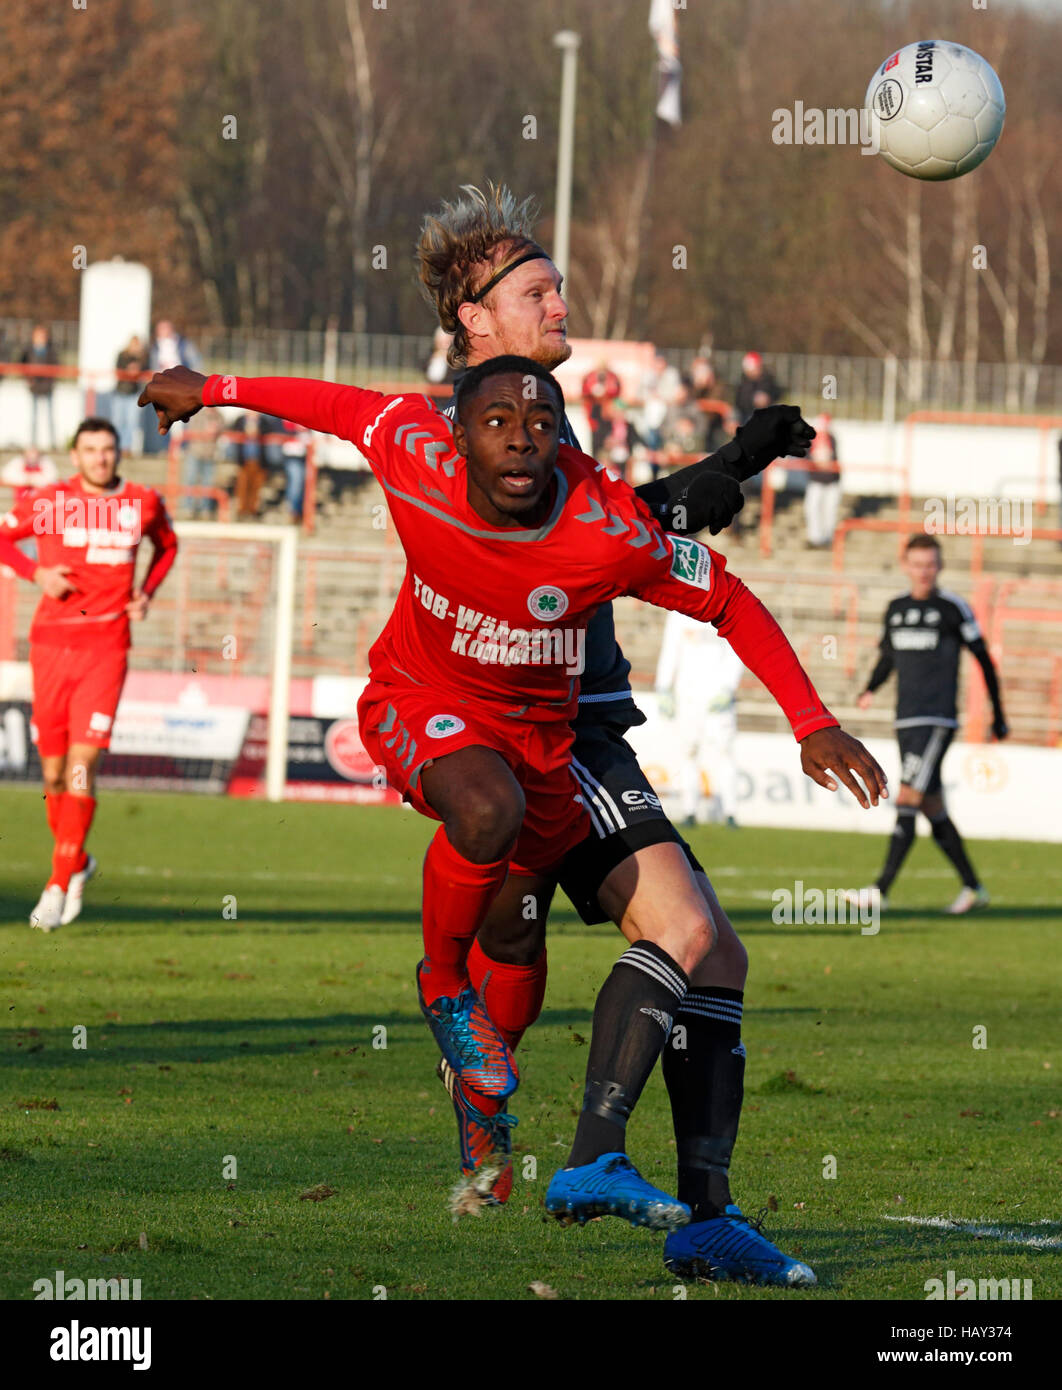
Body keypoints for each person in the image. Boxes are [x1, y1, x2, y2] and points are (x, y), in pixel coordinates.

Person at [139, 355, 886, 1267]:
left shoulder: (605, 522)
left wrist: (813, 722)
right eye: (497, 422)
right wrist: (211, 388)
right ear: (459, 433)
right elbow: (334, 404)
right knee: (486, 814)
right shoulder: (413, 445)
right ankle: (444, 990)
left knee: (592, 938)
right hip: (422, 701)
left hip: (551, 746)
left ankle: (650, 1190)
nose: (522, 438)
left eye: (541, 424)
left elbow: (724, 593)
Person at [413, 183, 861, 1285]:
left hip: (569, 729)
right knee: (666, 939)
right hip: (540, 733)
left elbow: (622, 524)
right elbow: (613, 531)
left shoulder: (523, 419)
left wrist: (733, 464)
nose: (560, 298)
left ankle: (661, 1192)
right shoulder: (448, 430)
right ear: (474, 319)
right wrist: (728, 471)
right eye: (535, 288)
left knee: (633, 949)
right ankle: (595, 1155)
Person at [0, 418, 178, 930]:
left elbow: (167, 546)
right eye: (90, 450)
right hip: (50, 647)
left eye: (108, 449)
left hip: (106, 647)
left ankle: (57, 883)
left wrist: (146, 591)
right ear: (74, 456)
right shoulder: (47, 500)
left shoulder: (143, 501)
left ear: (118, 454)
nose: (100, 458)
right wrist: (37, 573)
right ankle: (76, 862)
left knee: (81, 767)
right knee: (53, 773)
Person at [845, 534, 1005, 916]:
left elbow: (984, 659)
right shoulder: (896, 608)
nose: (924, 572)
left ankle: (879, 891)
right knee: (932, 807)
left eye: (930, 564)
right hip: (906, 717)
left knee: (908, 798)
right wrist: (870, 688)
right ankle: (973, 887)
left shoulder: (953, 609)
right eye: (917, 564)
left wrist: (999, 712)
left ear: (940, 566)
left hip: (937, 719)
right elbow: (888, 656)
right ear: (906, 565)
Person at [655, 611, 745, 827]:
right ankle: (690, 811)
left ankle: (731, 812)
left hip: (717, 697)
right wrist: (663, 687)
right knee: (689, 753)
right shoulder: (677, 615)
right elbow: (670, 651)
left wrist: (728, 687)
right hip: (686, 696)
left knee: (724, 752)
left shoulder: (723, 610)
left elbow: (736, 653)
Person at [804, 413, 841, 548]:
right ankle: (815, 537)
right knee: (813, 509)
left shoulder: (832, 439)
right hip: (817, 480)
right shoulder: (812, 440)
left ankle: (827, 538)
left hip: (831, 481)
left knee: (829, 510)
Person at [181, 406, 224, 518]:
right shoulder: (197, 414)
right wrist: (205, 432)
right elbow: (191, 430)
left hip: (210, 453)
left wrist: (216, 430)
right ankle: (188, 508)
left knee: (208, 482)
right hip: (195, 451)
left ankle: (206, 509)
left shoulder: (219, 417)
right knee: (190, 480)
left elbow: (222, 431)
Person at [20, 324, 59, 449]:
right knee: (33, 418)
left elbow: (56, 367)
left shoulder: (51, 350)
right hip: (34, 387)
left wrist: (50, 382)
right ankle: (32, 444)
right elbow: (22, 364)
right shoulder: (28, 350)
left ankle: (52, 444)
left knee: (50, 417)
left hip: (47, 387)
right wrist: (28, 379)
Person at [112, 335, 149, 453]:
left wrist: (137, 368)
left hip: (133, 393)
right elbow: (118, 370)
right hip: (120, 392)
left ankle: (126, 447)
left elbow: (145, 371)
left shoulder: (143, 357)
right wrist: (130, 370)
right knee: (118, 421)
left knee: (131, 422)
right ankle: (117, 445)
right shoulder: (122, 355)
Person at [580, 361, 621, 458]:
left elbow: (617, 391)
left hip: (608, 414)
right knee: (595, 442)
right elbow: (584, 393)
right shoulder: (590, 377)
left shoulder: (613, 377)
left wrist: (606, 391)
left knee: (608, 440)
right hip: (594, 413)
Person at [232, 413, 266, 519]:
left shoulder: (263, 422)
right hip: (244, 461)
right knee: (242, 487)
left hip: (259, 461)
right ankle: (242, 510)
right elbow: (234, 434)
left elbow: (268, 434)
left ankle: (252, 510)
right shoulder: (240, 420)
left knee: (256, 487)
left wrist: (258, 432)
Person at [733, 351, 781, 424]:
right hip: (747, 415)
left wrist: (768, 398)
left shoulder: (768, 379)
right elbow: (739, 401)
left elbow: (777, 393)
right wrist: (753, 400)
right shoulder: (743, 382)